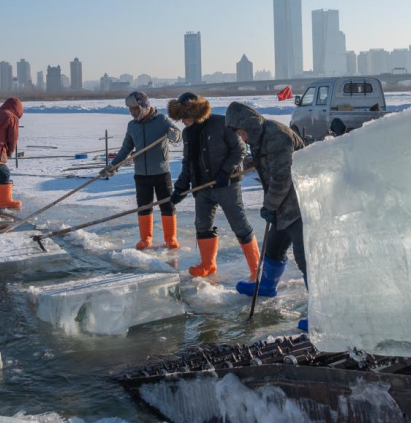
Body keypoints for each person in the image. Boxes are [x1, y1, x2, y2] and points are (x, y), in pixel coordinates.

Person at [225, 101, 309, 332]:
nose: (240, 137)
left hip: (299, 203)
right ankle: (267, 288)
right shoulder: (259, 137)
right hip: (283, 204)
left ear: (248, 125)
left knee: (305, 259)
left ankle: (321, 312)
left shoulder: (276, 136)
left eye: (240, 132)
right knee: (273, 248)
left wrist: (270, 205)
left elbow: (283, 178)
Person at [168, 92, 260, 280]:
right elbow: (188, 163)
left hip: (226, 185)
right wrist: (180, 188)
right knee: (202, 225)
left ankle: (256, 269)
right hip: (202, 188)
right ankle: (207, 264)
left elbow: (240, 150)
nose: (183, 121)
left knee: (239, 225)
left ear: (195, 112)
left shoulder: (221, 124)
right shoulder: (187, 134)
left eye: (184, 117)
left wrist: (225, 171)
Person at [102, 91, 182, 249]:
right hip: (141, 174)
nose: (132, 113)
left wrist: (174, 135)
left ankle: (171, 238)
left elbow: (178, 135)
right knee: (144, 206)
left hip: (161, 172)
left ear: (144, 106)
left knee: (167, 205)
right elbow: (126, 149)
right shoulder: (132, 126)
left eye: (135, 109)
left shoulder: (161, 120)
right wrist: (113, 166)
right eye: (130, 109)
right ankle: (146, 238)